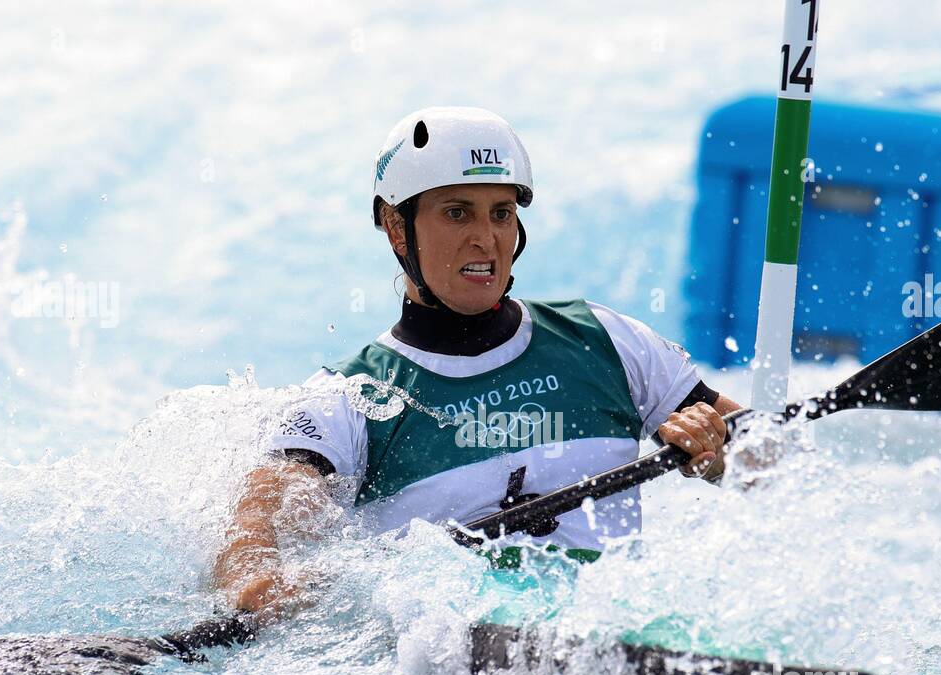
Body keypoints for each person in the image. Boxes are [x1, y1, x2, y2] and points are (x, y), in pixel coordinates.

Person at [213, 107, 742, 616]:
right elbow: (261, 508)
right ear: (397, 228)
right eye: (456, 212)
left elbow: (769, 459)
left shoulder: (602, 338)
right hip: (456, 647)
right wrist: (256, 574)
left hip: (617, 623)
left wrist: (716, 451)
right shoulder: (351, 396)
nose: (485, 239)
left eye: (501, 214)